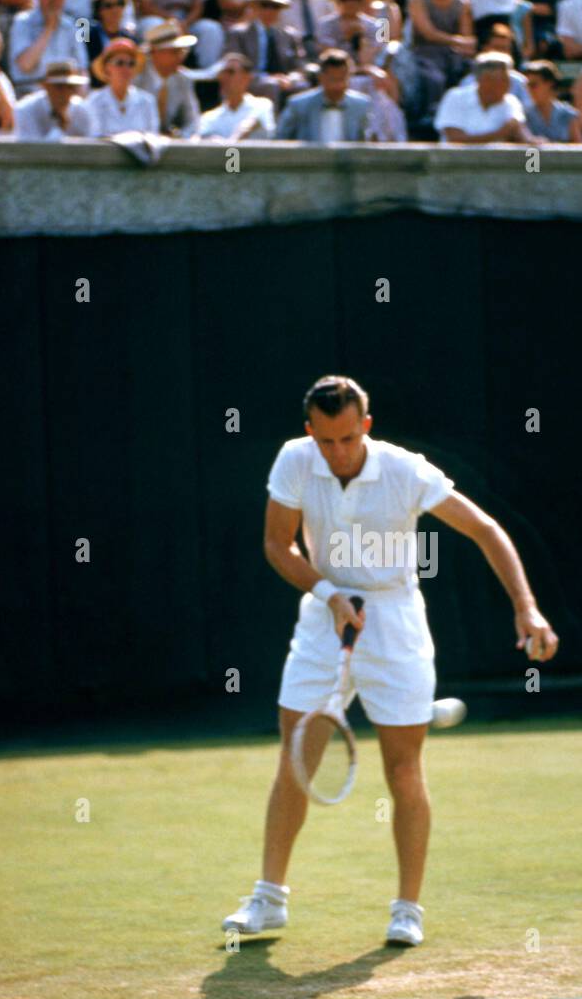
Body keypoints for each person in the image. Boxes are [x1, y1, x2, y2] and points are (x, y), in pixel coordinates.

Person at [220, 376, 559, 948]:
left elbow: (485, 529)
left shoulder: (406, 470)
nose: (337, 453)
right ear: (310, 432)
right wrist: (328, 593)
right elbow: (279, 545)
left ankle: (407, 909)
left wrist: (527, 609)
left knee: (402, 769)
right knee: (296, 757)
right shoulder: (295, 461)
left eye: (348, 439)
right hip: (324, 617)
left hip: (395, 624)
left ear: (366, 428)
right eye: (325, 442)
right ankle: (270, 900)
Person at [222, 0, 306, 107]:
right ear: (255, 6)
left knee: (302, 86)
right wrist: (267, 79)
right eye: (265, 5)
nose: (270, 11)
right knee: (271, 86)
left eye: (275, 6)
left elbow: (300, 66)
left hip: (283, 81)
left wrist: (290, 79)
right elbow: (234, 67)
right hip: (253, 81)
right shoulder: (239, 34)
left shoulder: (289, 35)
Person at [409, 0, 474, 114]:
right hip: (425, 53)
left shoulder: (461, 2)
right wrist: (457, 41)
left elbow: (466, 36)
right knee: (434, 79)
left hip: (452, 54)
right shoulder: (416, 0)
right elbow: (428, 33)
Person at [9, 0, 84, 94]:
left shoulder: (76, 25)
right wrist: (48, 28)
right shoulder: (22, 22)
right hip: (31, 90)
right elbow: (25, 65)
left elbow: (82, 68)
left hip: (66, 92)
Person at [435, 49, 532, 142]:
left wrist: (535, 142)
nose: (509, 85)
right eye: (503, 80)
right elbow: (454, 139)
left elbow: (522, 133)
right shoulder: (455, 97)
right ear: (485, 80)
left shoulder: (511, 102)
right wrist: (499, 134)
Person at [276, 46, 370, 138]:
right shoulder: (298, 106)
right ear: (321, 78)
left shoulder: (361, 106)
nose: (338, 85)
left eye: (342, 79)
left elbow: (366, 146)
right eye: (333, 80)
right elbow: (280, 141)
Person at [136, 18, 200, 135]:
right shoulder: (136, 78)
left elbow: (192, 121)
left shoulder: (183, 79)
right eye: (174, 52)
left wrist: (180, 138)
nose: (180, 57)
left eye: (182, 51)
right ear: (155, 52)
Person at [84, 34, 159, 132]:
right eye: (119, 63)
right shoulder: (93, 101)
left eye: (131, 64)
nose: (126, 69)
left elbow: (153, 138)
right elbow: (93, 138)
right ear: (107, 67)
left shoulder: (147, 102)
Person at [316, 0, 385, 70]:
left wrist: (361, 40)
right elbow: (328, 58)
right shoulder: (325, 25)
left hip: (367, 74)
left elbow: (371, 60)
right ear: (337, 0)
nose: (350, 2)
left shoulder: (376, 26)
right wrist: (346, 38)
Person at [196, 50, 275, 136]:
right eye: (222, 73)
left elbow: (252, 126)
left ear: (247, 78)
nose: (224, 77)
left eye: (230, 72)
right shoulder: (209, 118)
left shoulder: (262, 105)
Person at [15, 55, 89, 134]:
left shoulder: (82, 110)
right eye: (59, 87)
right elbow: (31, 145)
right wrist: (60, 129)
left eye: (70, 87)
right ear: (46, 86)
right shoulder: (26, 110)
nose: (65, 93)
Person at [523, 57, 582, 139]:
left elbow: (579, 148)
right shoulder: (523, 115)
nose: (529, 90)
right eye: (527, 86)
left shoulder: (568, 115)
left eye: (533, 85)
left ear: (549, 84)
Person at [85, 0, 133, 79]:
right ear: (99, 11)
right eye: (108, 5)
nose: (115, 9)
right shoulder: (87, 37)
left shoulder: (129, 39)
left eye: (119, 4)